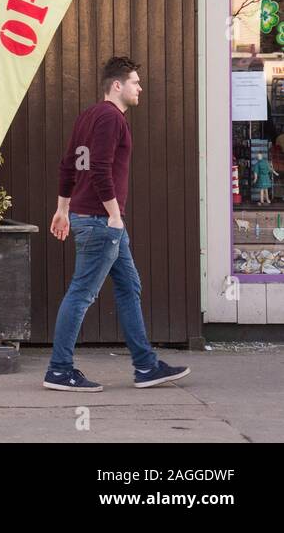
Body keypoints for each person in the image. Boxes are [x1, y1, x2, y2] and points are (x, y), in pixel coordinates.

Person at [44, 56, 188, 392]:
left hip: (92, 218)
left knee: (128, 287)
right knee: (81, 293)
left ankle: (146, 366)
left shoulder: (88, 116)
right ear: (117, 85)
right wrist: (113, 214)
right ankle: (59, 369)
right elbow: (100, 168)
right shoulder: (111, 118)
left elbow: (69, 166)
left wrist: (63, 209)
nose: (140, 88)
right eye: (136, 82)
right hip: (100, 222)